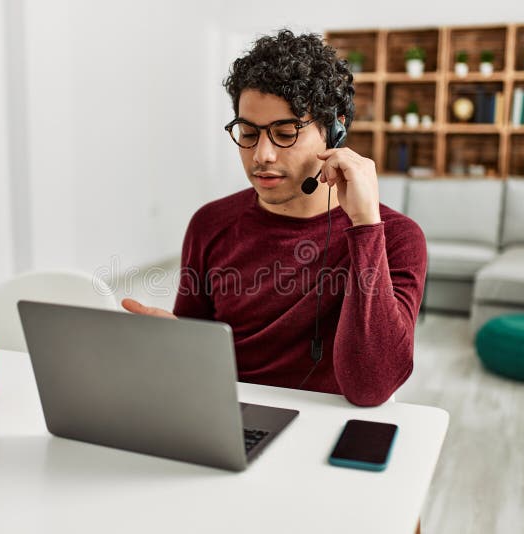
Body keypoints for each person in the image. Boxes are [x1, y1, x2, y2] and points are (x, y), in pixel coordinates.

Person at [122, 29, 427, 406]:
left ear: (335, 131)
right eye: (248, 133)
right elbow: (199, 348)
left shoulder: (396, 238)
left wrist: (365, 225)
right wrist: (174, 342)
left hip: (327, 430)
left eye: (284, 133)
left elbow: (371, 388)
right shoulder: (210, 224)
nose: (261, 155)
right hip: (227, 419)